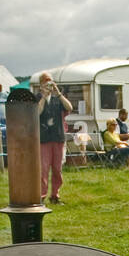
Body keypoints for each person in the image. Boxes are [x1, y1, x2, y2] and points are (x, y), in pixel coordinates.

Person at [33, 72, 73, 201]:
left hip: (58, 137)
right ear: (40, 84)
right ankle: (41, 196)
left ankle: (55, 195)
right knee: (43, 169)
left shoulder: (57, 98)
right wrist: (44, 96)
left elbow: (69, 107)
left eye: (50, 81)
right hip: (44, 138)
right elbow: (36, 113)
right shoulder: (36, 98)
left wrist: (58, 93)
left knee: (57, 169)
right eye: (45, 81)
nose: (48, 83)